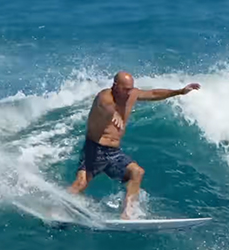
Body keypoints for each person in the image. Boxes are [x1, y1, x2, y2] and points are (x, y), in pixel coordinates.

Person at [68, 71, 199, 219]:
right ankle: (57, 207)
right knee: (80, 184)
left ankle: (128, 214)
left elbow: (154, 93)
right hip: (95, 149)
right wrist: (114, 113)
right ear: (115, 86)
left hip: (114, 152)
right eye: (125, 89)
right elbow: (104, 104)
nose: (129, 92)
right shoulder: (105, 96)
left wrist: (179, 92)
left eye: (131, 88)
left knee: (137, 172)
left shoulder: (131, 94)